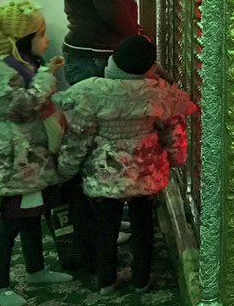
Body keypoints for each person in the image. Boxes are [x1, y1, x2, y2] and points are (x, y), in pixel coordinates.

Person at [56, 35, 195, 294]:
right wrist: (177, 159)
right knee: (143, 227)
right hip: (145, 173)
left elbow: (78, 136)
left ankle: (106, 281)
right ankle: (141, 279)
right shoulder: (159, 93)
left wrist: (66, 167)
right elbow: (173, 133)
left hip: (105, 173)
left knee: (105, 228)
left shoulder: (92, 92)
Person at [0, 0, 73, 306]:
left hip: (28, 155)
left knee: (31, 215)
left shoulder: (22, 65)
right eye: (41, 34)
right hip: (14, 157)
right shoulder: (3, 72)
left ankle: (36, 269)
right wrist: (45, 76)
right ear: (21, 41)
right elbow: (22, 108)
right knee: (9, 223)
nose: (47, 39)